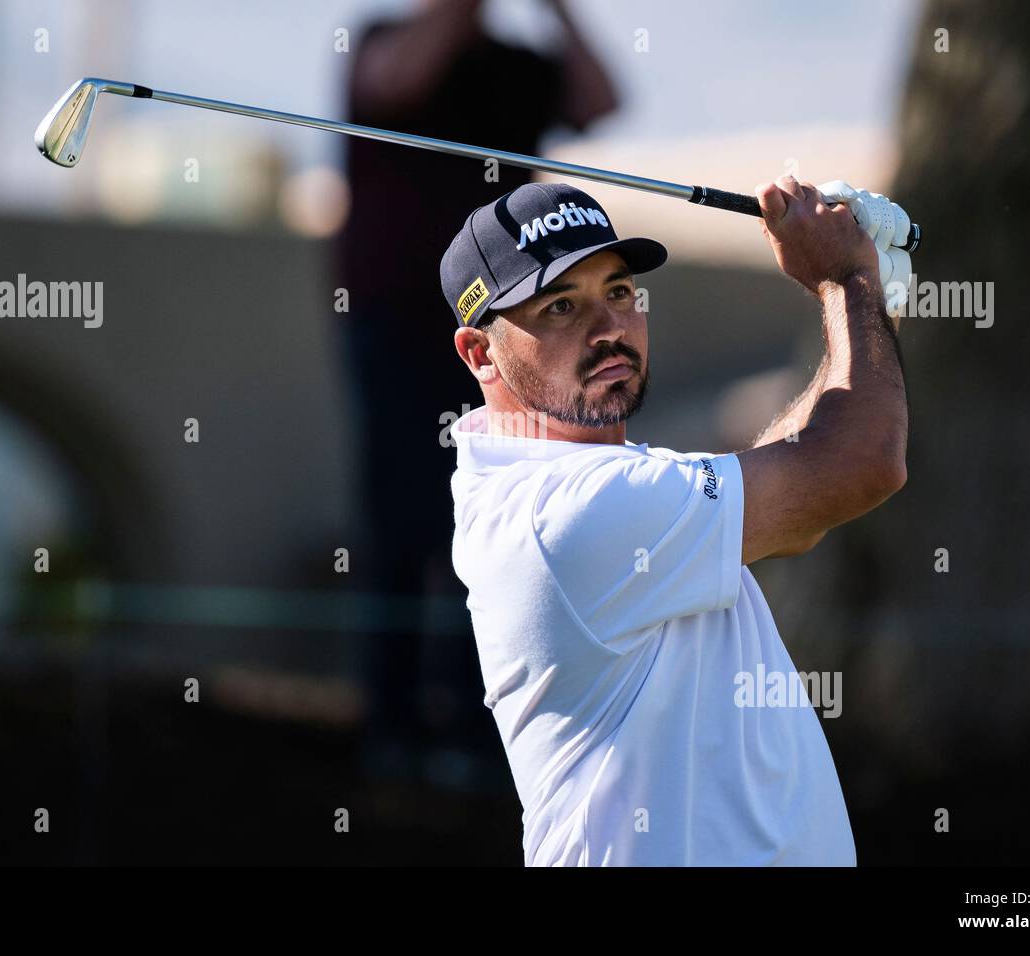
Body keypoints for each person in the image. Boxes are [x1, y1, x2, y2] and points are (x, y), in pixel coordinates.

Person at [440, 178, 911, 864]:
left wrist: (871, 309)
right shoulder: (566, 512)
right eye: (563, 305)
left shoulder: (590, 481)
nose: (608, 328)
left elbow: (798, 508)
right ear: (480, 353)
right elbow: (860, 464)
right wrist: (847, 278)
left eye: (619, 292)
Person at [334, 0, 618, 787]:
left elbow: (600, 101)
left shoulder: (518, 65)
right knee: (402, 518)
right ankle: (389, 724)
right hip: (394, 321)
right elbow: (401, 81)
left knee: (501, 515)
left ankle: (475, 724)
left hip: (506, 331)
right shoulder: (383, 39)